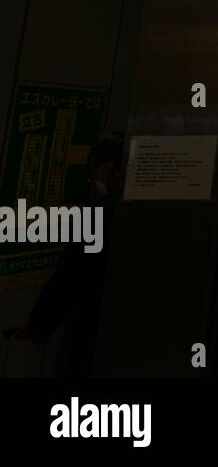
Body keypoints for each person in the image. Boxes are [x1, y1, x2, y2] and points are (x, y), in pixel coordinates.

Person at [24, 135, 125, 377]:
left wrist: (38, 327)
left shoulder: (99, 213)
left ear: (106, 170)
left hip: (93, 325)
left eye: (93, 175)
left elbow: (69, 277)